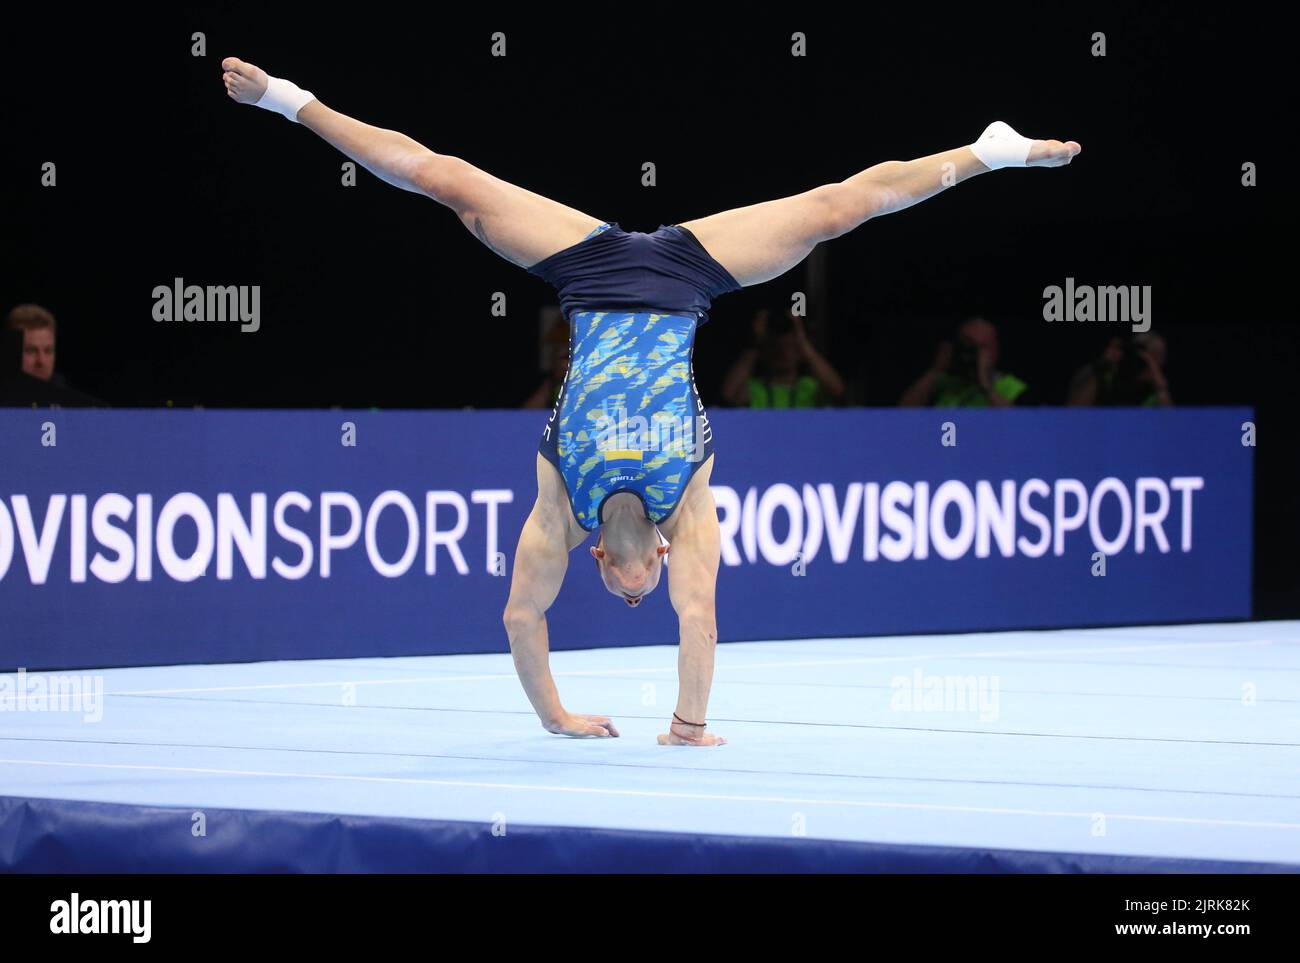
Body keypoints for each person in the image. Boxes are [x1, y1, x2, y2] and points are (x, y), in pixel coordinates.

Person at [222, 56, 1080, 744]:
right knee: (829, 212)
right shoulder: (686, 507)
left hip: (586, 274)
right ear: (658, 560)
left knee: (452, 184)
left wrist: (555, 715)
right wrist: (689, 725)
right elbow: (699, 622)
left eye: (626, 594)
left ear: (603, 560)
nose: (639, 593)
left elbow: (521, 616)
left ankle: (290, 100)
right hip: (686, 280)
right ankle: (989, 153)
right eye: (644, 594)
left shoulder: (559, 514)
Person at [721, 308, 845, 407]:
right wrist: (756, 342)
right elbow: (728, 394)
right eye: (775, 347)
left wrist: (802, 340)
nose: (783, 352)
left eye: (789, 346)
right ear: (764, 352)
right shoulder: (755, 389)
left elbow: (838, 390)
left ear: (800, 353)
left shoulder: (809, 387)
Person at [899, 317, 1028, 407]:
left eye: (979, 348)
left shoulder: (1010, 386)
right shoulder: (944, 383)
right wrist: (936, 369)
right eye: (966, 345)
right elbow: (903, 413)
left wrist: (986, 386)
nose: (970, 354)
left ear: (994, 351)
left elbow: (1020, 425)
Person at [1067, 332, 1173, 407]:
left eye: (1156, 358)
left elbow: (1171, 421)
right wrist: (1101, 367)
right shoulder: (1108, 374)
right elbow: (1075, 411)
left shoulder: (1155, 388)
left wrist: (1158, 380)